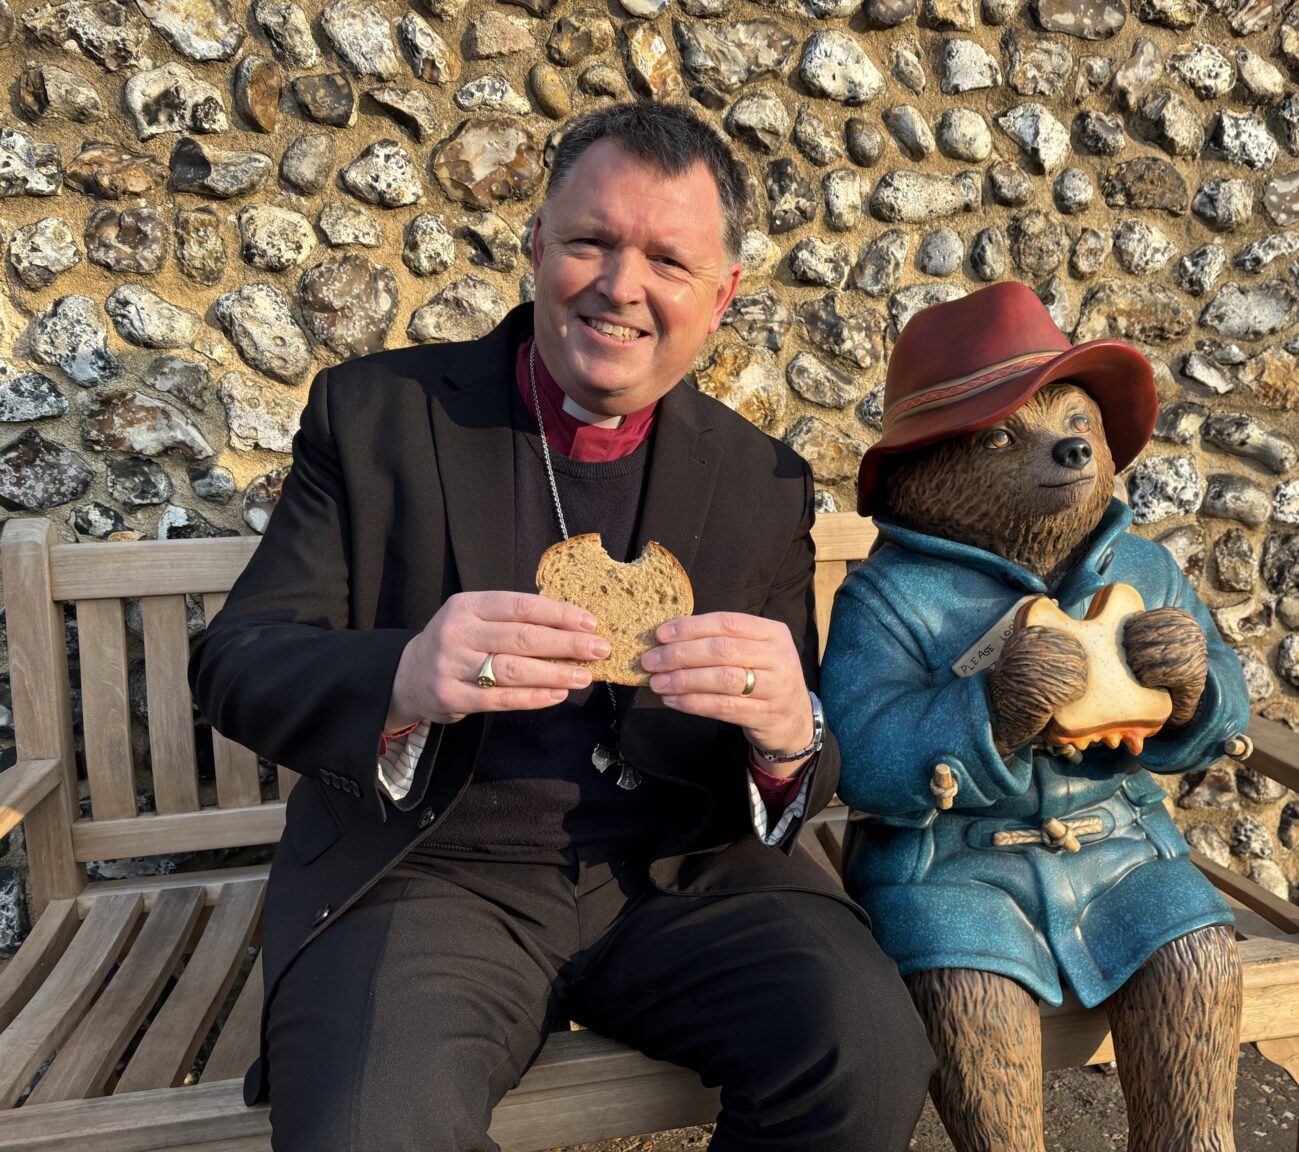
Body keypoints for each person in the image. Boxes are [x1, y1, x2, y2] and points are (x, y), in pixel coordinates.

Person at [190, 102, 933, 1152]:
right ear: (537, 245)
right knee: (370, 1131)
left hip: (677, 877)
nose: (621, 286)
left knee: (867, 1051)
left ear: (721, 295)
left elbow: (794, 762)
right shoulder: (376, 417)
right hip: (430, 876)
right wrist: (404, 674)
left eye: (667, 261)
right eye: (591, 241)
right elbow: (238, 660)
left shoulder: (761, 479)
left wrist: (789, 737)